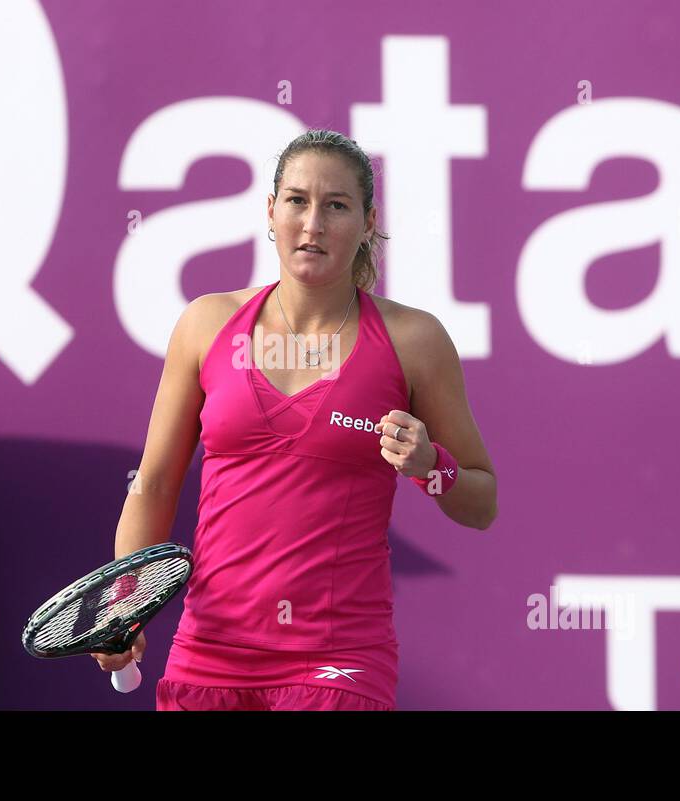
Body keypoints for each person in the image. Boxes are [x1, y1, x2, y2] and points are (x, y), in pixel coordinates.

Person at [95, 130, 497, 710]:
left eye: (336, 206)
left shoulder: (415, 340)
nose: (313, 224)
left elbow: (481, 503)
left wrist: (432, 466)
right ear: (270, 211)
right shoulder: (207, 324)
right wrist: (121, 608)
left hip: (338, 660)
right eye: (297, 201)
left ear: (367, 223)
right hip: (207, 652)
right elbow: (154, 484)